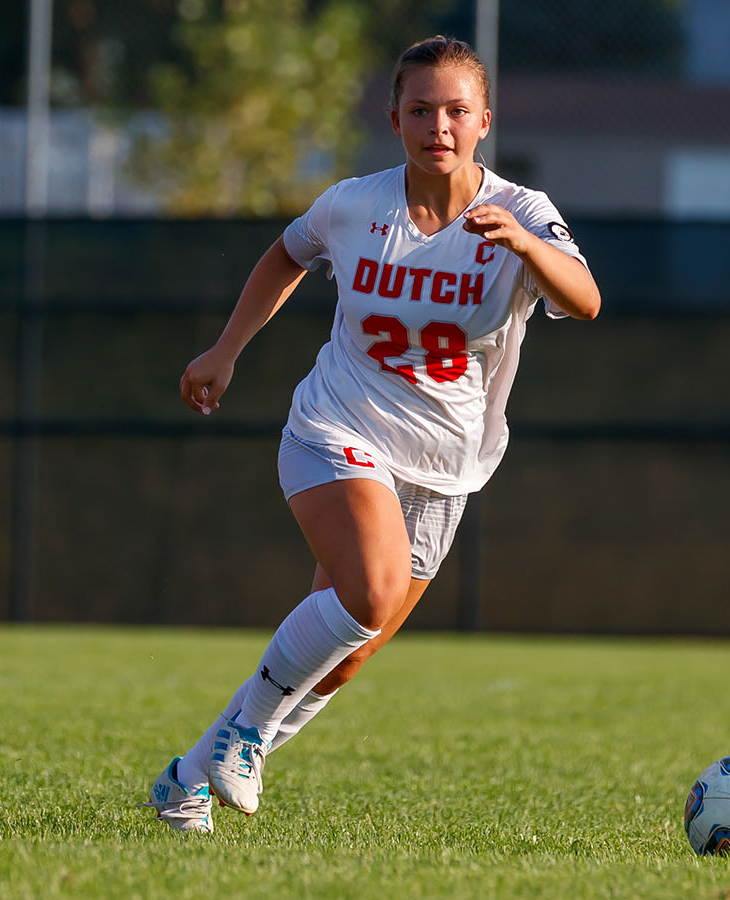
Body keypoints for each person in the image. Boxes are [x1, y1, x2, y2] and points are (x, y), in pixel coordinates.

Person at [147, 36, 601, 833]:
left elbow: (587, 299)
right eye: (420, 109)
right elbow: (285, 256)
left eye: (457, 110)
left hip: (447, 464)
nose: (439, 125)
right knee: (372, 590)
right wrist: (225, 350)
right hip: (337, 427)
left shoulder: (523, 213)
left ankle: (188, 775)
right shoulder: (355, 204)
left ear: (484, 120)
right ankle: (244, 736)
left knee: (349, 650)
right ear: (394, 119)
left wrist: (529, 247)